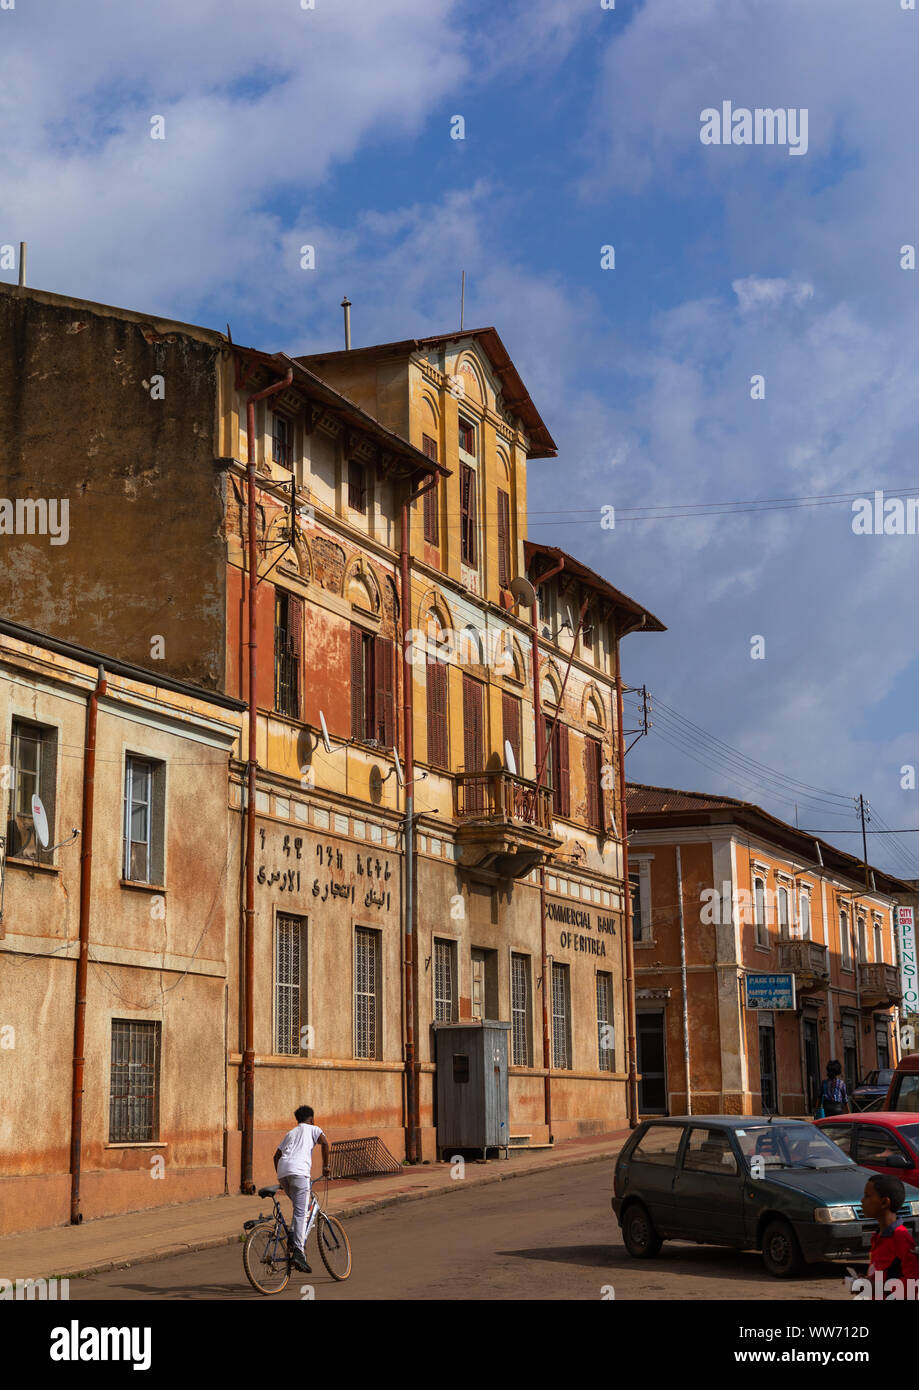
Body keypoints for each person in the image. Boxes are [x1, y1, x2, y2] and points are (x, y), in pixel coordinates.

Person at [273, 1105, 331, 1274]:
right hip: (299, 1173)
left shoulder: (290, 1133)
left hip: (283, 1173)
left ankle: (292, 1235)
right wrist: (326, 1167)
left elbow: (276, 1156)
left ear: (297, 1119)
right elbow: (325, 1143)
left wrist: (283, 1176)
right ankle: (299, 1253)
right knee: (300, 1213)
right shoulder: (314, 1129)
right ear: (311, 1119)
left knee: (301, 1208)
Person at [862, 1174, 919, 1299]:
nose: (862, 1200)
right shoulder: (878, 1236)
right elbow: (882, 1272)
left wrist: (877, 1287)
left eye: (867, 1196)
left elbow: (912, 1284)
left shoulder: (900, 1237)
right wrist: (864, 1283)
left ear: (884, 1202)